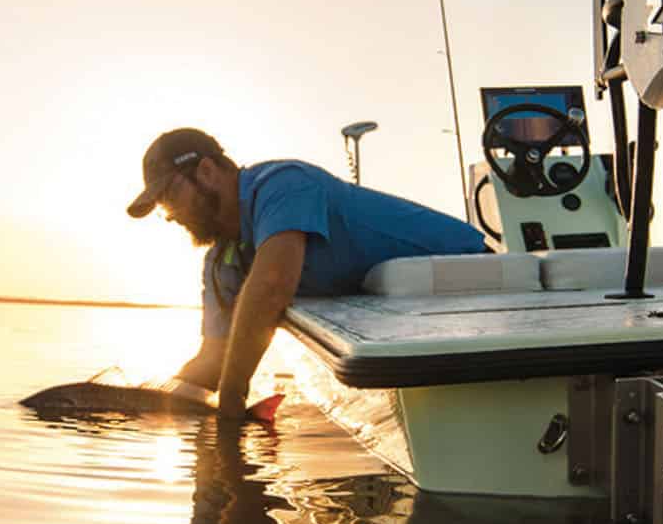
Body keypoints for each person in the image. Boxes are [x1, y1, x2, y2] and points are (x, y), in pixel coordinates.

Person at [126, 128, 487, 418]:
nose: (171, 214)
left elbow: (270, 287)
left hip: (477, 277)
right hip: (396, 313)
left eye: (170, 196)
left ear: (206, 171)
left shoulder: (283, 184)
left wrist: (232, 404)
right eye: (162, 207)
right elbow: (213, 356)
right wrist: (150, 406)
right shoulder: (222, 263)